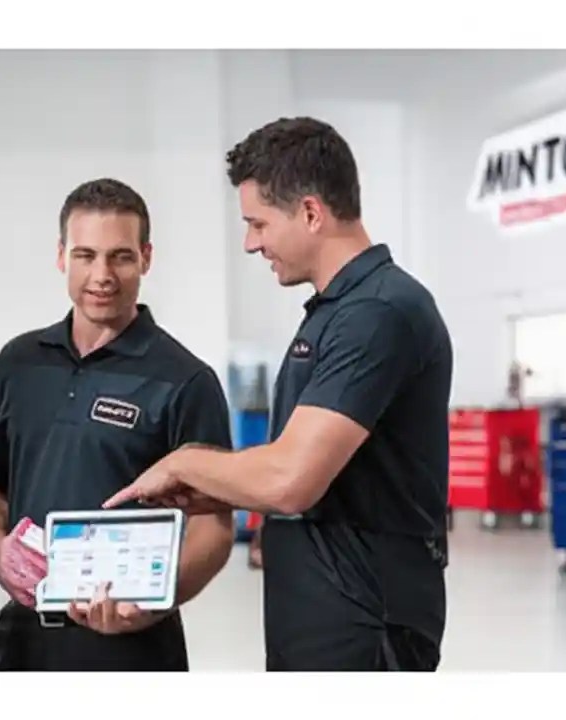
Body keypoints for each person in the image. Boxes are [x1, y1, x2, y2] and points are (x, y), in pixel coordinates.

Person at [105, 117, 453, 672]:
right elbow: (320, 476)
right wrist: (216, 492)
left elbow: (290, 481)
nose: (251, 243)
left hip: (363, 622)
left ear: (311, 213)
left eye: (257, 223)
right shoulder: (337, 313)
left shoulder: (377, 313)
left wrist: (187, 463)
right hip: (326, 612)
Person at [0, 178, 236, 672]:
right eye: (85, 255)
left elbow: (213, 527)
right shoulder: (20, 362)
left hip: (133, 651)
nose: (102, 275)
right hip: (25, 640)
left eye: (121, 256)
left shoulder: (185, 380)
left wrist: (152, 605)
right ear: (60, 256)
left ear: (146, 257)